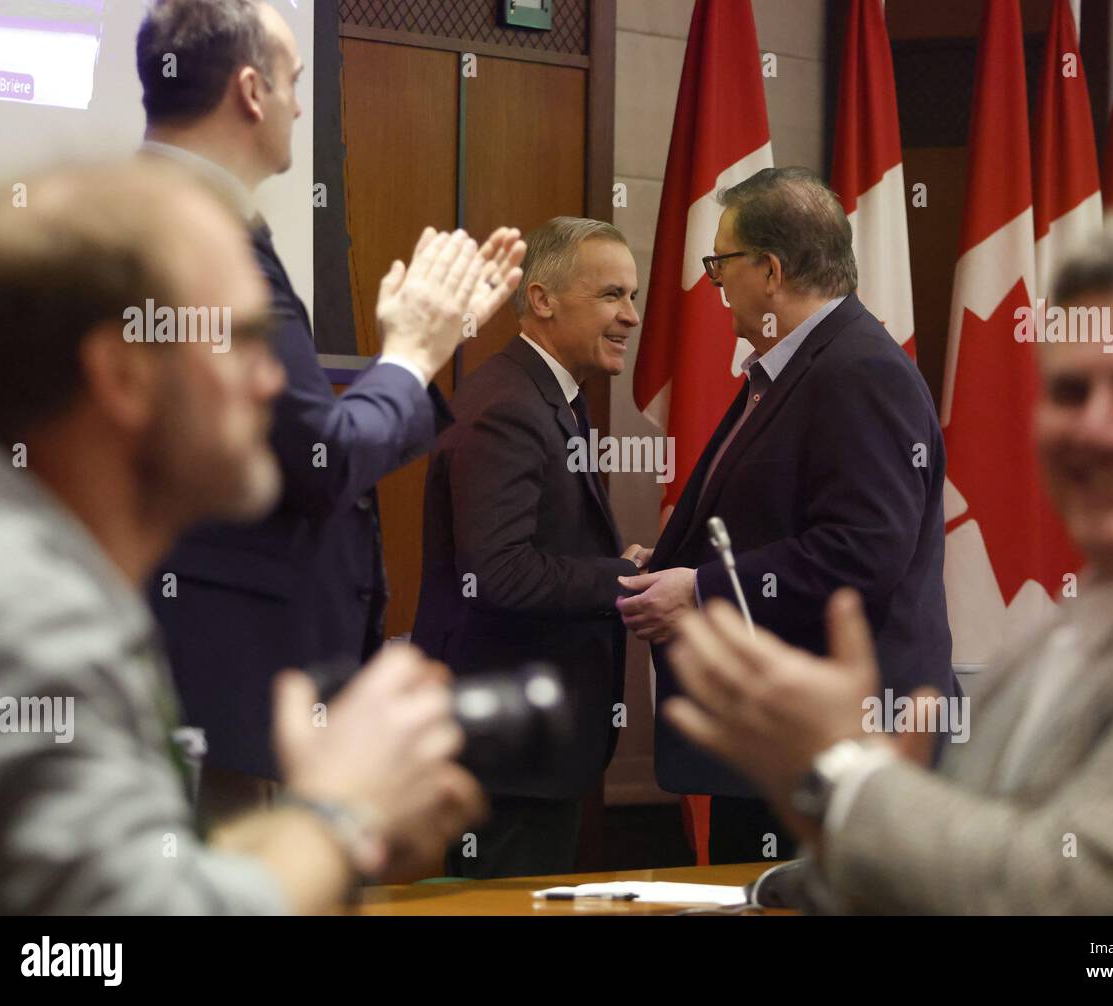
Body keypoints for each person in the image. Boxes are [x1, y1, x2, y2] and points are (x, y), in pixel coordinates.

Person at [665, 212, 1113, 913]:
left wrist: (838, 769)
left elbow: (1065, 900)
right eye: (1071, 393)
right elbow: (974, 854)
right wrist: (784, 893)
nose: (1098, 429)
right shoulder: (1071, 628)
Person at [0, 161, 485, 914]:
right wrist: (338, 816)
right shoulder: (28, 613)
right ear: (123, 375)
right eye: (244, 340)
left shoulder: (30, 564)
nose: (275, 383)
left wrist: (339, 809)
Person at [134, 0, 524, 815]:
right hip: (216, 685)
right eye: (295, 82)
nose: (301, 106)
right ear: (250, 91)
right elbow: (319, 459)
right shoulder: (202, 239)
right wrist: (412, 357)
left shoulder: (143, 212)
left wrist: (415, 350)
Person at [617, 167, 955, 863]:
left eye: (721, 265)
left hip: (841, 749)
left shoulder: (860, 372)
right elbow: (776, 521)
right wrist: (678, 566)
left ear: (770, 271)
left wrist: (700, 591)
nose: (714, 285)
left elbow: (864, 551)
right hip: (786, 747)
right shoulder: (793, 367)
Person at [414, 217, 644, 877]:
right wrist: (616, 582)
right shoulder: (511, 405)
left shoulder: (549, 397)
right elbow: (497, 573)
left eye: (632, 297)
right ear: (541, 299)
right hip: (506, 758)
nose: (630, 316)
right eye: (611, 296)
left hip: (532, 752)